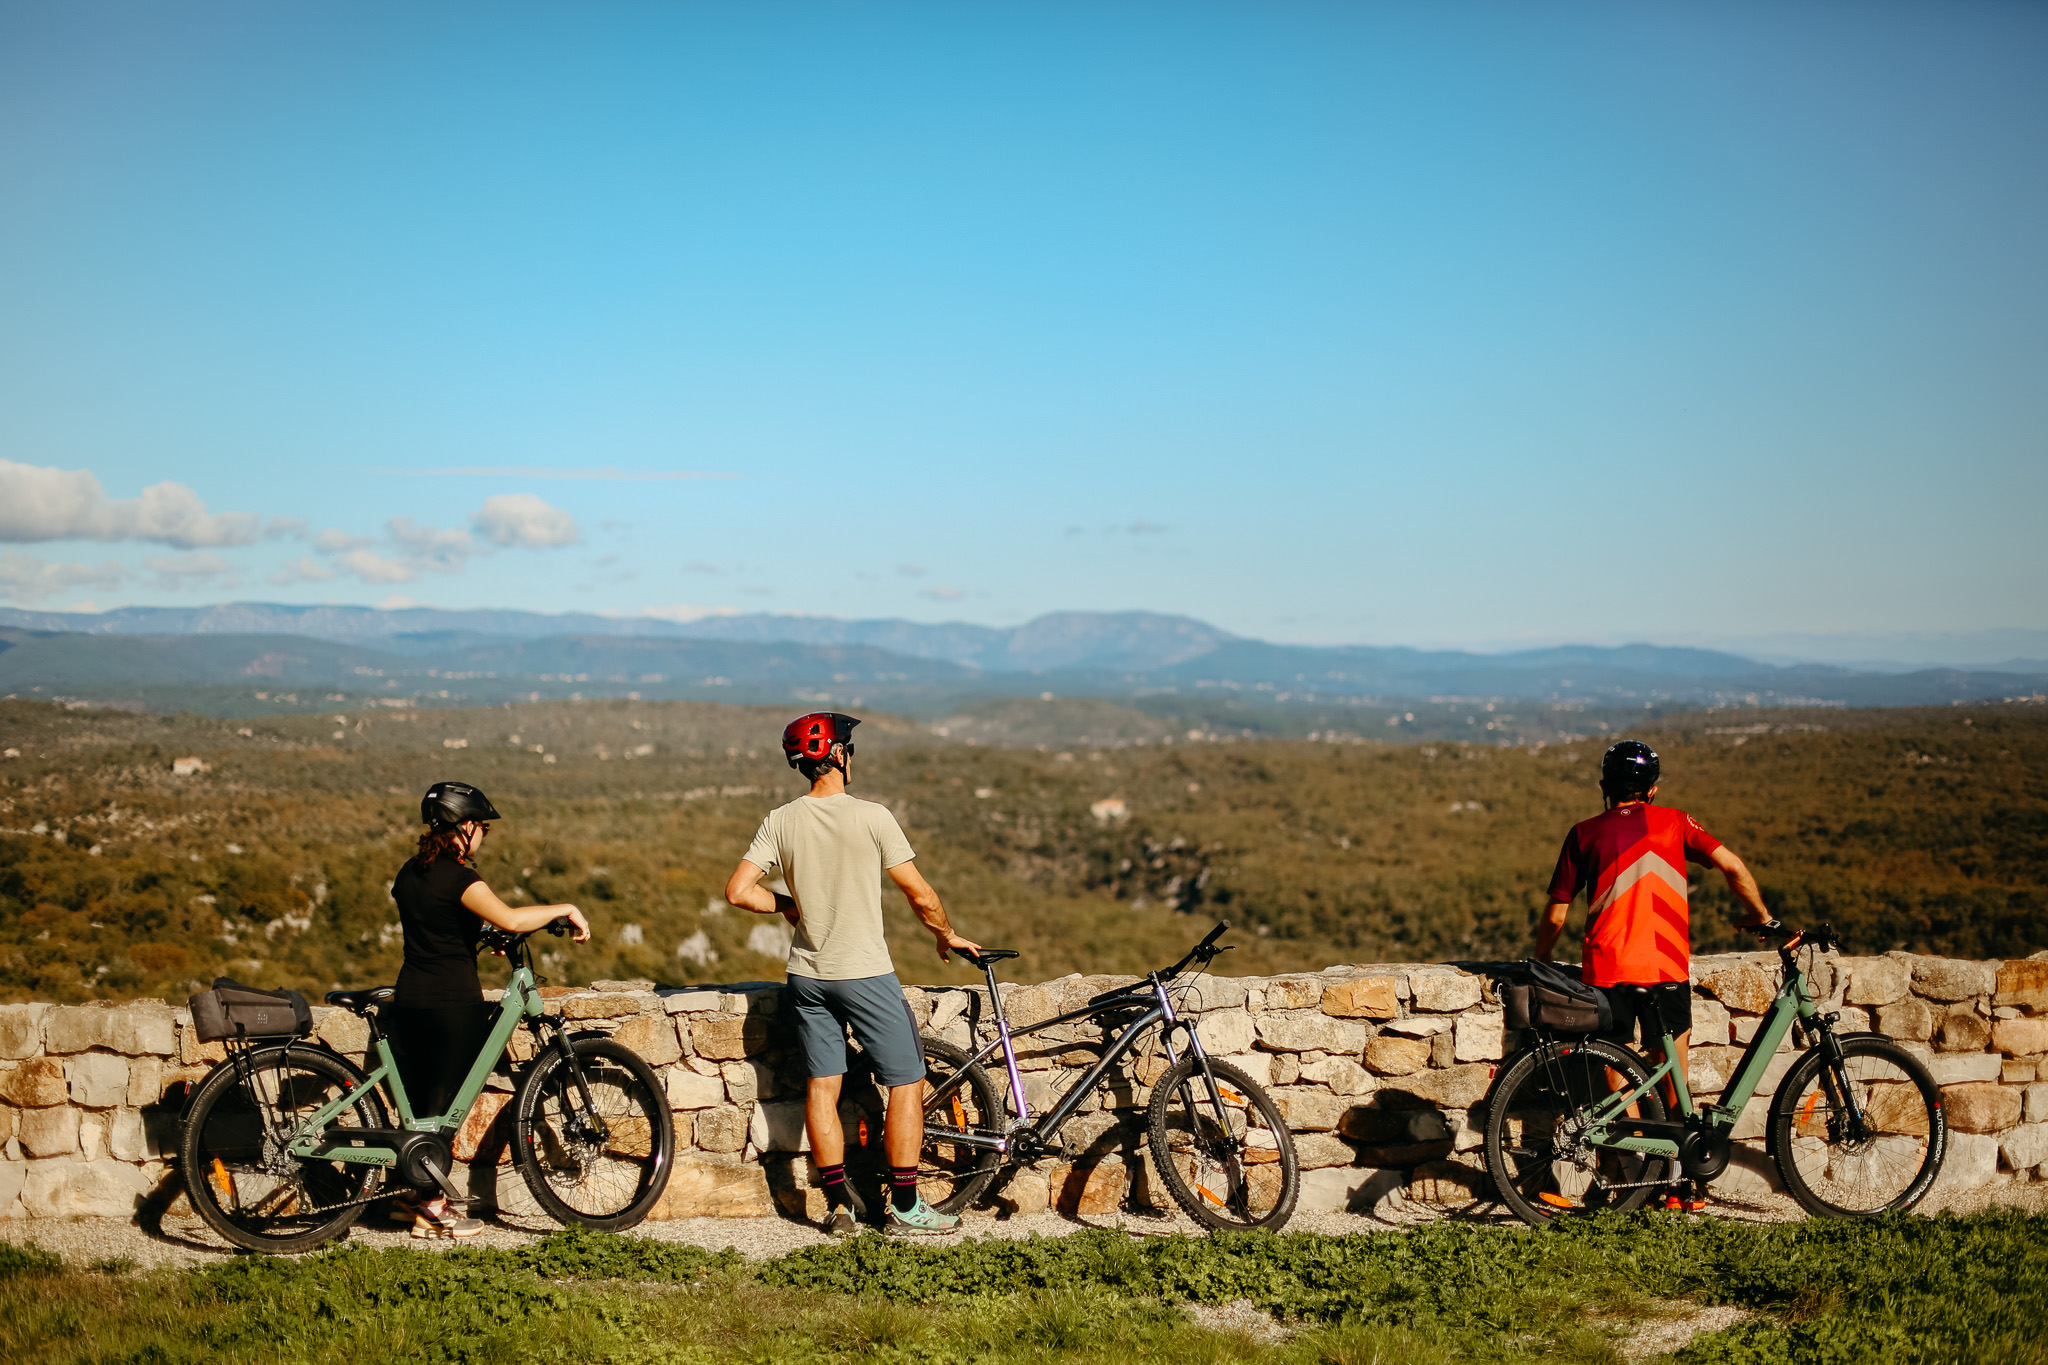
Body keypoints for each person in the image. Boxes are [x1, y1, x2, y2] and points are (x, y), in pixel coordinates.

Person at [723, 712, 981, 1238]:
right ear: (839, 754)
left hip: (806, 976)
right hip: (864, 973)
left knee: (823, 1086)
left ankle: (839, 1206)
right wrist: (945, 934)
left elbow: (737, 892)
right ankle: (906, 1207)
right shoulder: (872, 817)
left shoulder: (781, 820)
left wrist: (785, 904)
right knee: (907, 1082)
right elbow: (920, 894)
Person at [1534, 740, 1776, 1212]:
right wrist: (1761, 917)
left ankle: (1626, 1178)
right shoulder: (1676, 821)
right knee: (1674, 1079)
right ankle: (1684, 1185)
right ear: (1653, 788)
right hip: (1665, 967)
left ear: (1605, 788)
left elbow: (1557, 914)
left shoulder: (1583, 833)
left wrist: (1541, 959)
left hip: (1607, 969)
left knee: (1614, 1074)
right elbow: (1733, 866)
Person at [390, 780, 591, 1238]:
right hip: (450, 999)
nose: (483, 835)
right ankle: (435, 1209)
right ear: (464, 826)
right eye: (482, 827)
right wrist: (566, 907)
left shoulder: (410, 872)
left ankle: (413, 1195)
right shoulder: (460, 877)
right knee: (445, 1101)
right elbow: (514, 918)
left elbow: (437, 927)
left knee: (421, 1102)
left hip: (412, 993)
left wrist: (477, 938)